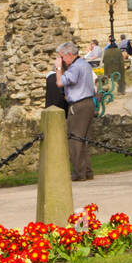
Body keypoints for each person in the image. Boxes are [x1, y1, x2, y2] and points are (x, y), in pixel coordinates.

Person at [54, 42, 96, 182]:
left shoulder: (75, 67)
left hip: (78, 106)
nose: (61, 59)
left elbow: (60, 82)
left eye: (61, 57)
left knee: (75, 140)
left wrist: (58, 68)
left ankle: (79, 173)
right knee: (83, 140)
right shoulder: (84, 64)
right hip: (88, 103)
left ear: (69, 55)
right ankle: (87, 171)